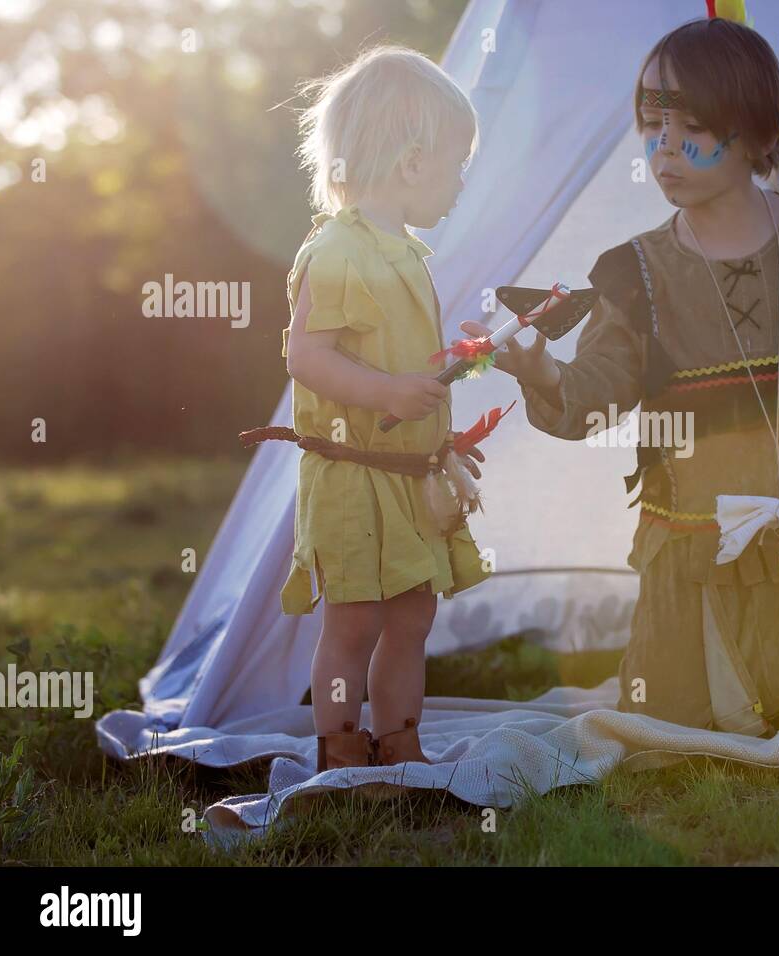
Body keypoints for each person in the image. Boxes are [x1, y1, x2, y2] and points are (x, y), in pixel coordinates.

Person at [462, 16, 779, 736]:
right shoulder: (635, 272)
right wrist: (544, 372)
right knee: (671, 731)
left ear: (756, 134)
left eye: (691, 126)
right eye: (652, 123)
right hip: (694, 570)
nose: (663, 148)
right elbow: (595, 394)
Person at [273, 45, 491, 771]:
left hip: (406, 472)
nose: (462, 181)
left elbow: (402, 371)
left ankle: (399, 744)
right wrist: (392, 394)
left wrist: (441, 430)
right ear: (411, 162)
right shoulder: (336, 250)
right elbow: (307, 356)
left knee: (412, 613)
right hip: (353, 477)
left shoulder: (407, 253)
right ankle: (340, 751)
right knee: (355, 618)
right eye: (457, 163)